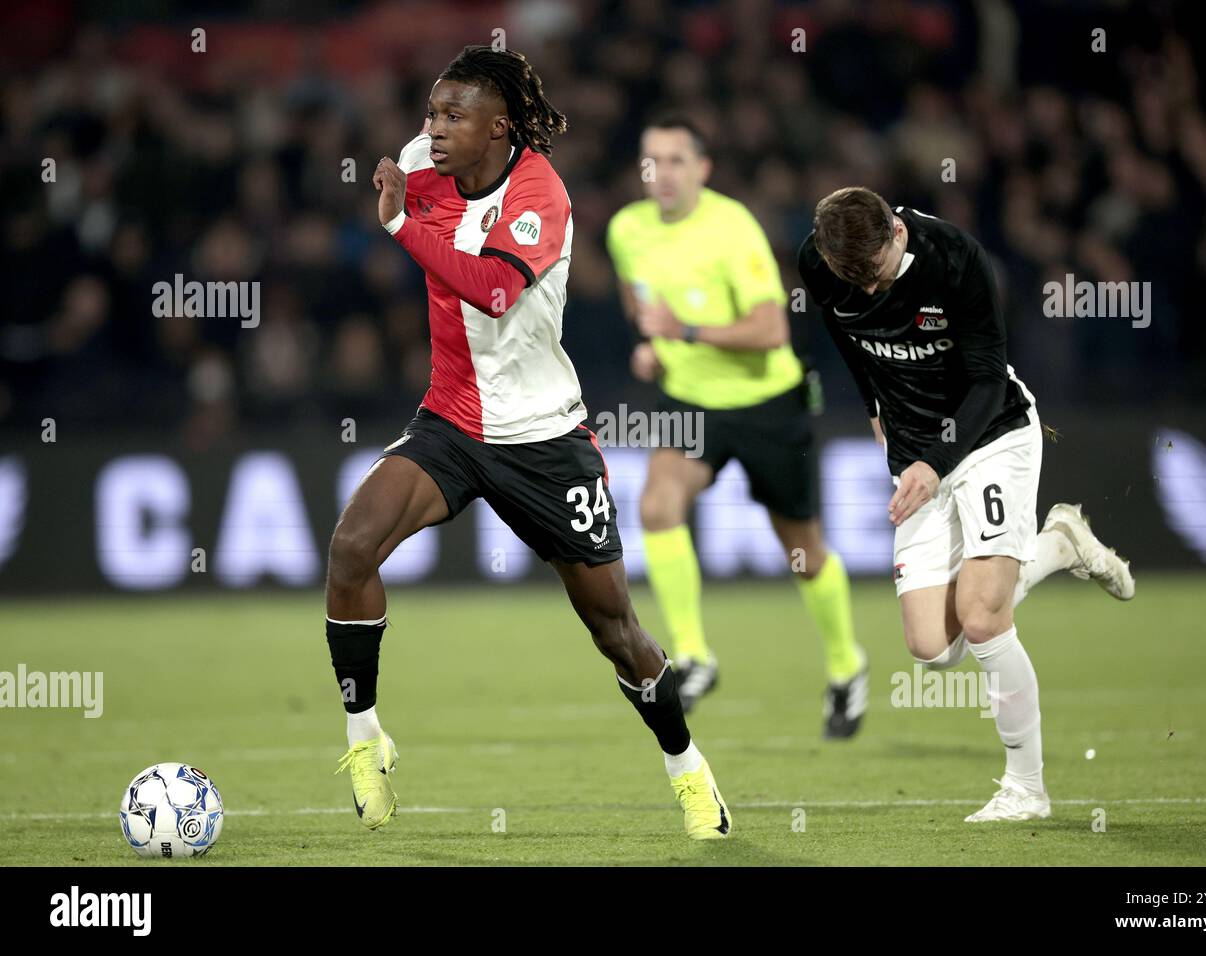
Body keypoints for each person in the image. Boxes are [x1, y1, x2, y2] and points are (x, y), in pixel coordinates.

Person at [325, 47, 730, 841]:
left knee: (613, 627)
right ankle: (364, 738)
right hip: (450, 422)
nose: (433, 130)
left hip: (545, 437)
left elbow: (498, 291)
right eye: (432, 113)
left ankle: (689, 769)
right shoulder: (421, 162)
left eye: (453, 116)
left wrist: (402, 222)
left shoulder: (540, 189)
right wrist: (405, 205)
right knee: (350, 548)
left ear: (498, 127)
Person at [799, 187, 1134, 821]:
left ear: (896, 233)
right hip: (914, 451)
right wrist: (874, 404)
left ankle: (1026, 788)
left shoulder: (957, 261)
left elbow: (987, 377)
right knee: (931, 646)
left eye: (872, 276)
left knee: (982, 618)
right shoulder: (822, 264)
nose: (867, 293)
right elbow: (842, 328)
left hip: (989, 436)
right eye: (852, 280)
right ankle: (1058, 546)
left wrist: (935, 462)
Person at [607, 115, 868, 737]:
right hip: (691, 402)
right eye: (651, 160)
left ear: (702, 168)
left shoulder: (733, 228)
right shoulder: (627, 229)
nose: (661, 173)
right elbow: (638, 300)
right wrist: (654, 345)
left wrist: (685, 331)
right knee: (657, 503)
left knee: (801, 551)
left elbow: (772, 332)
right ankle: (694, 656)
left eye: (675, 160)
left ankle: (844, 664)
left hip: (766, 401)